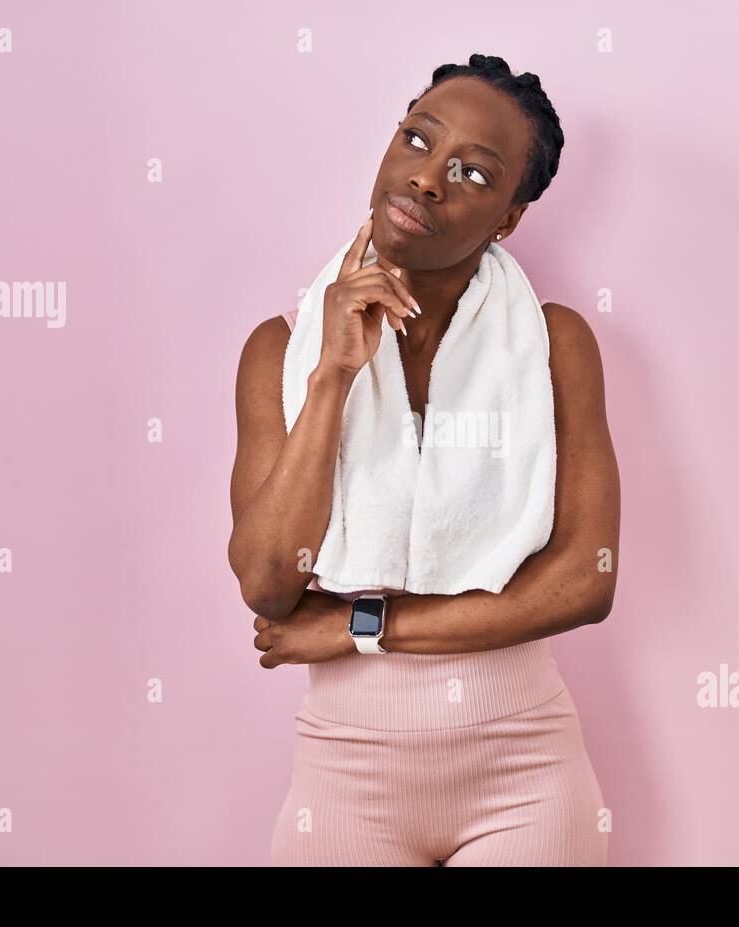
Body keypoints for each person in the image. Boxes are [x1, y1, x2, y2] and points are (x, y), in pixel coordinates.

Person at [229, 54, 620, 866]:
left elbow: (585, 581)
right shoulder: (280, 351)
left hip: (526, 775)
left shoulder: (555, 345)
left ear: (509, 218)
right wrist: (334, 374)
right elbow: (269, 584)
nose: (429, 179)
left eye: (473, 173)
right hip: (345, 777)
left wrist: (358, 625)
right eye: (417, 139)